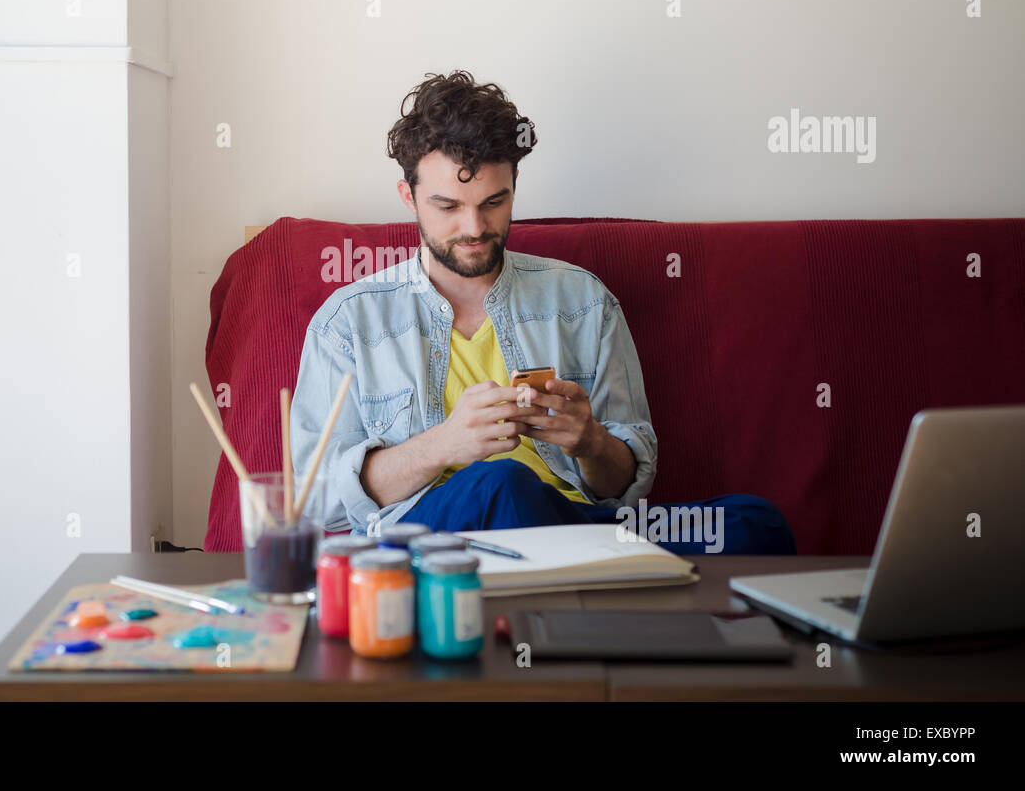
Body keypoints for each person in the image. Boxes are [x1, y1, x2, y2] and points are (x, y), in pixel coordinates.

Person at [289, 70, 795, 555]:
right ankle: (597, 582)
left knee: (756, 523)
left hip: (583, 523)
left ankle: (575, 579)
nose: (474, 226)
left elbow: (625, 486)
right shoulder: (349, 323)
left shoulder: (582, 301)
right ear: (409, 197)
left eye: (494, 201)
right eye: (448, 206)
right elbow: (315, 502)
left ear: (514, 188)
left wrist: (591, 442)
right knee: (503, 482)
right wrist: (443, 445)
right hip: (438, 541)